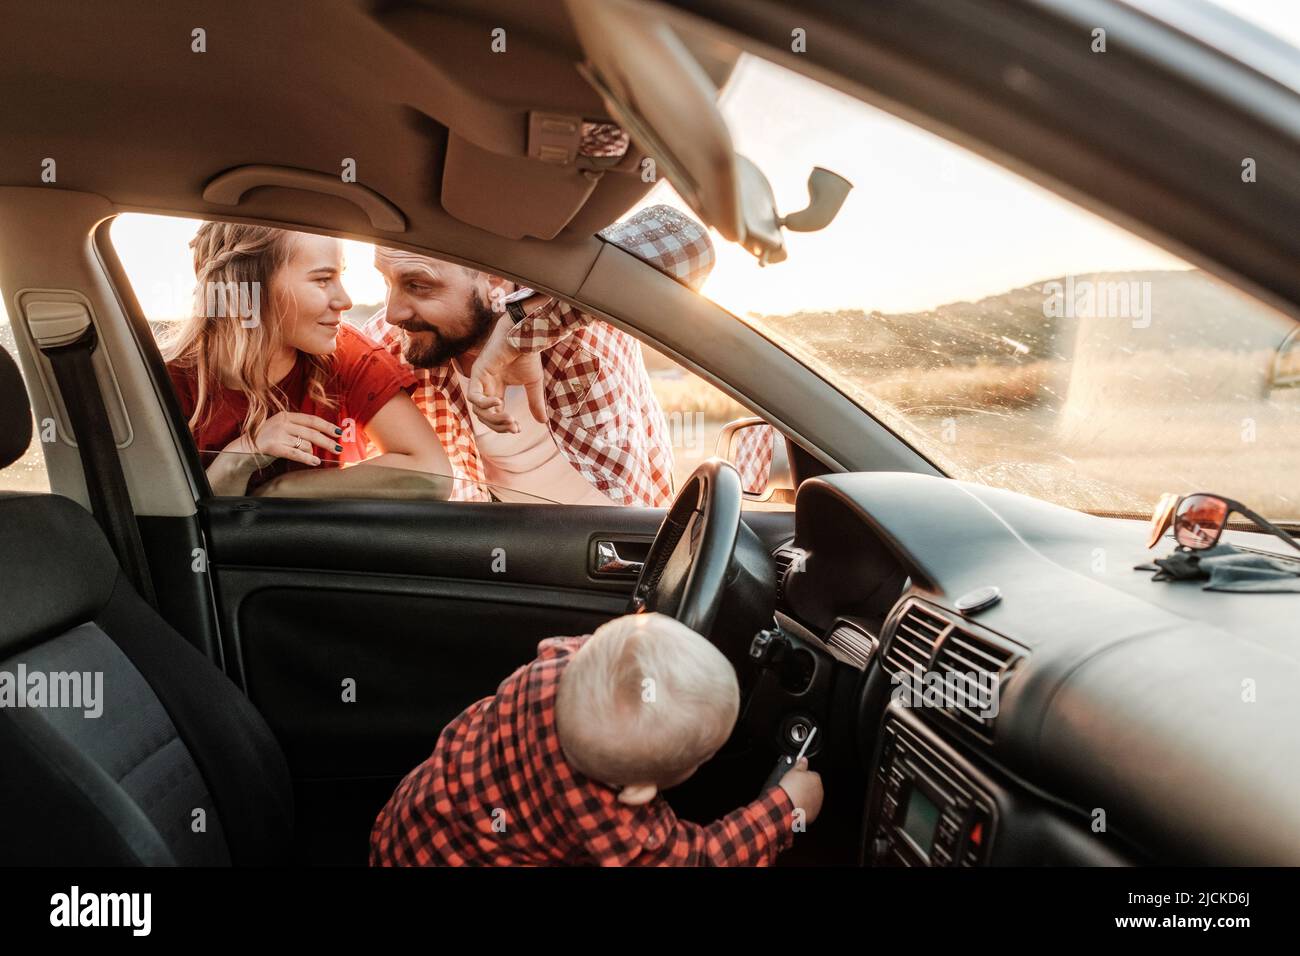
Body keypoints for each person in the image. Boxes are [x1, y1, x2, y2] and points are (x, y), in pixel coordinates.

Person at [370, 612, 823, 866]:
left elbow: (619, 647)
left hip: (404, 830)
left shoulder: (559, 663)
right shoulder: (610, 817)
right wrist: (785, 810)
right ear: (638, 792)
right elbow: (697, 860)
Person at [363, 205, 716, 505]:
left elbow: (689, 243)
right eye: (386, 281)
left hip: (631, 542)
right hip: (521, 559)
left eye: (418, 285)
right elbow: (324, 358)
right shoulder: (398, 343)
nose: (393, 312)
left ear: (496, 282)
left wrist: (521, 330)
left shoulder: (584, 309)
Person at [164, 223, 451, 496]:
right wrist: (240, 458)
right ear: (250, 287)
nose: (345, 300)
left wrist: (285, 490)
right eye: (323, 280)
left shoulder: (345, 353)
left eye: (340, 276)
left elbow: (433, 476)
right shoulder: (165, 382)